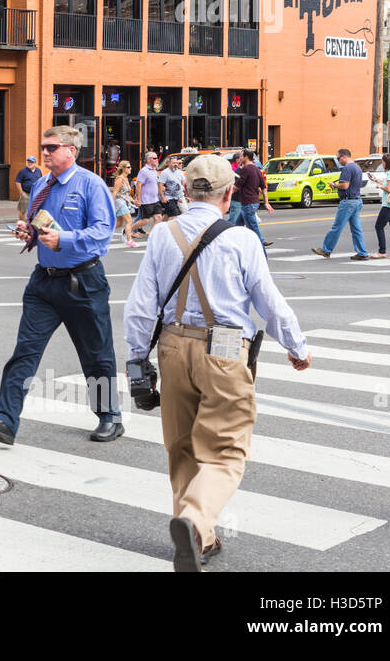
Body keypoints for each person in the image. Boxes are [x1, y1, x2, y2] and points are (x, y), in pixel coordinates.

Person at [124, 155, 311, 572]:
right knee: (225, 450)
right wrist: (296, 346)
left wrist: (137, 359)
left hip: (172, 346)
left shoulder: (160, 234)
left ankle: (199, 537)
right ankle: (194, 521)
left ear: (187, 192)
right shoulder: (242, 239)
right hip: (225, 347)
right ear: (229, 194)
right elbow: (269, 302)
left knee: (182, 445)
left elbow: (139, 306)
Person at [0, 125, 123, 445]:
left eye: (52, 147)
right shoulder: (42, 184)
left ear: (71, 150)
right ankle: (5, 420)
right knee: (24, 352)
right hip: (44, 281)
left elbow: (102, 233)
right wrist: (27, 231)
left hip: (83, 280)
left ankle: (109, 416)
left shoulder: (91, 185)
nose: (45, 152)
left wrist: (65, 238)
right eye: (44, 146)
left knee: (96, 354)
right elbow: (39, 225)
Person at [312, 148, 369, 260]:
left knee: (337, 227)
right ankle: (362, 252)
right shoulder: (357, 167)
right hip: (356, 200)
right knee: (356, 229)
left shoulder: (347, 168)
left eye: (338, 158)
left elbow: (344, 185)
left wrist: (334, 185)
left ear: (344, 157)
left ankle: (326, 249)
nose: (338, 161)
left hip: (348, 202)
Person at [232, 149, 273, 253]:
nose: (240, 158)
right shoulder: (256, 169)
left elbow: (237, 186)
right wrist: (266, 203)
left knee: (254, 231)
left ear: (246, 157)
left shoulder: (246, 169)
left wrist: (224, 194)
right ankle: (235, 246)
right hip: (252, 203)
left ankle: (263, 255)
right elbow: (263, 187)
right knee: (238, 225)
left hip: (248, 204)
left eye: (241, 156)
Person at [111, 161, 139, 247]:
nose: (130, 169)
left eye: (130, 167)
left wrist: (133, 201)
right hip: (119, 202)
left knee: (119, 223)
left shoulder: (126, 179)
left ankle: (104, 232)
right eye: (128, 167)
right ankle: (129, 240)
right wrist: (110, 205)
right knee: (129, 221)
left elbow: (126, 194)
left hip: (124, 201)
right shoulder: (119, 179)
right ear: (123, 168)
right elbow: (115, 192)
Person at [136, 151, 164, 232]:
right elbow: (138, 185)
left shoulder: (154, 170)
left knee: (158, 217)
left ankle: (153, 236)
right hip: (146, 200)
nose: (157, 160)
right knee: (146, 220)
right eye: (154, 158)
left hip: (155, 199)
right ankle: (128, 230)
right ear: (148, 160)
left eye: (157, 158)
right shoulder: (144, 171)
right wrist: (139, 199)